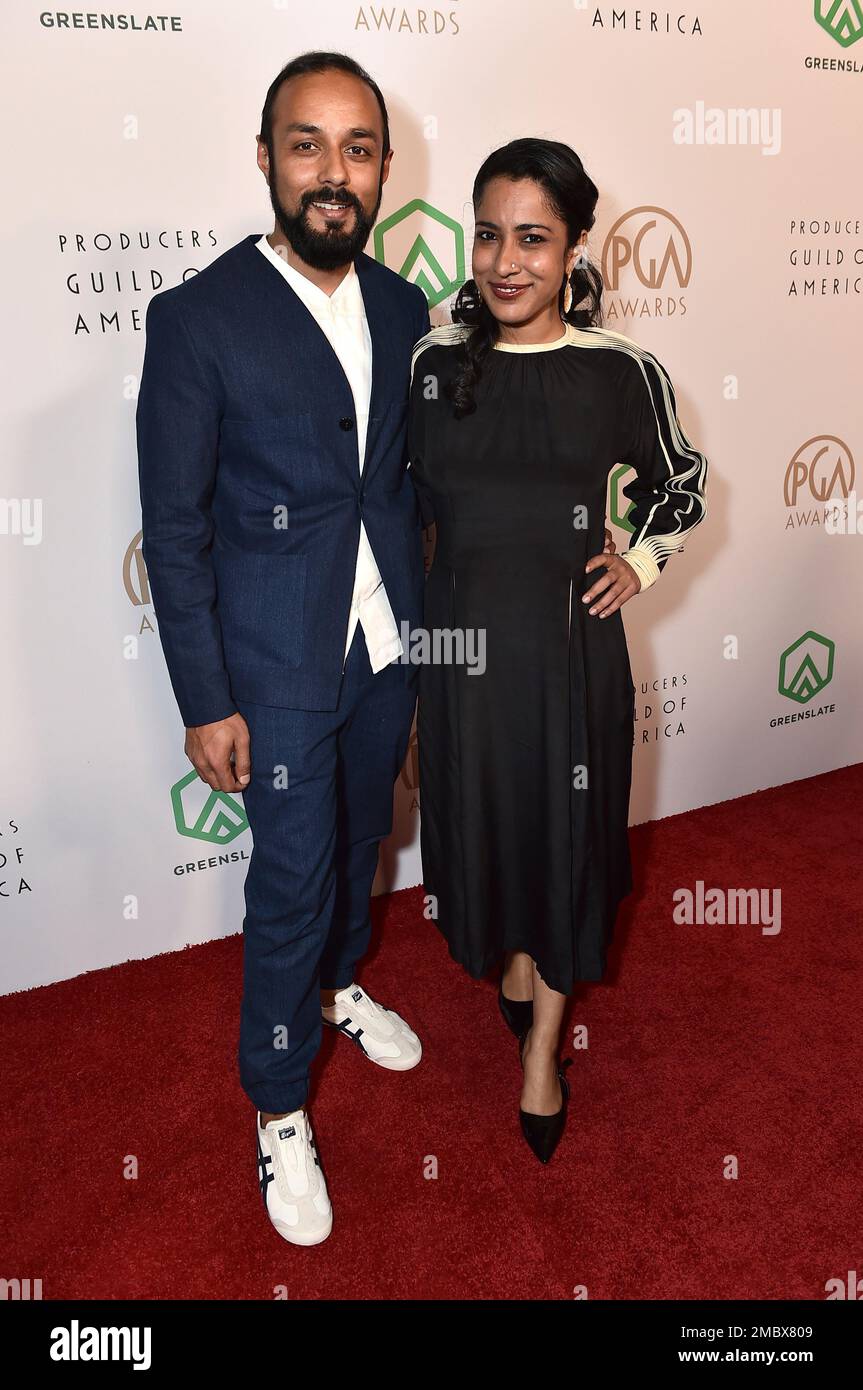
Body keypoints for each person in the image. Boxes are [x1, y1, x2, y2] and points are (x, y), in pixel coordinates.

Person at [136, 52, 431, 1245]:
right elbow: (174, 527)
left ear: (382, 169)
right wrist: (206, 698)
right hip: (270, 660)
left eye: (356, 148)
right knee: (291, 877)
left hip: (382, 646)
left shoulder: (405, 305)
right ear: (264, 157)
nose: (332, 172)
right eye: (306, 145)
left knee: (366, 838)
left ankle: (339, 979)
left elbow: (407, 484)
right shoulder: (199, 318)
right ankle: (275, 1104)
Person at [407, 138, 708, 1163]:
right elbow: (402, 512)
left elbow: (682, 482)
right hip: (460, 659)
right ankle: (514, 967)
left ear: (574, 245)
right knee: (487, 832)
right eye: (488, 234)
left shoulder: (617, 371)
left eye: (532, 238)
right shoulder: (433, 363)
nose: (504, 261)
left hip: (570, 657)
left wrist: (645, 560)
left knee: (566, 843)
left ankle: (543, 1052)